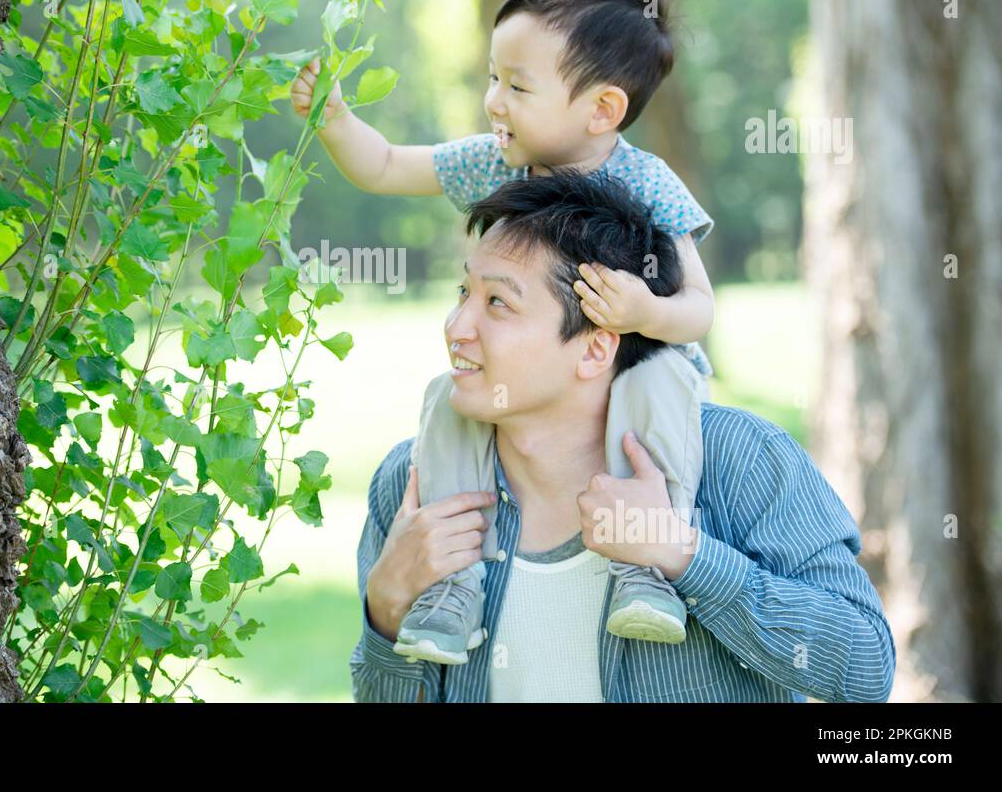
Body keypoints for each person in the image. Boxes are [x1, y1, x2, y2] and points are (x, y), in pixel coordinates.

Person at [292, 0, 714, 660]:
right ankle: (452, 585)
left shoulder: (644, 181)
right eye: (494, 76)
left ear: (602, 108)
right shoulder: (497, 162)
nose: (494, 100)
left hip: (636, 363)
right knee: (450, 404)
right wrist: (337, 122)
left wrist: (645, 308)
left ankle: (644, 568)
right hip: (530, 381)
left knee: (660, 387)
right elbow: (390, 165)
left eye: (517, 85)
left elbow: (698, 306)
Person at [347, 168, 895, 701]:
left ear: (594, 348)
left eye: (497, 303)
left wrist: (683, 554)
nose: (456, 326)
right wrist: (387, 609)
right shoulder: (414, 483)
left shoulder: (737, 459)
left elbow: (866, 667)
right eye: (462, 291)